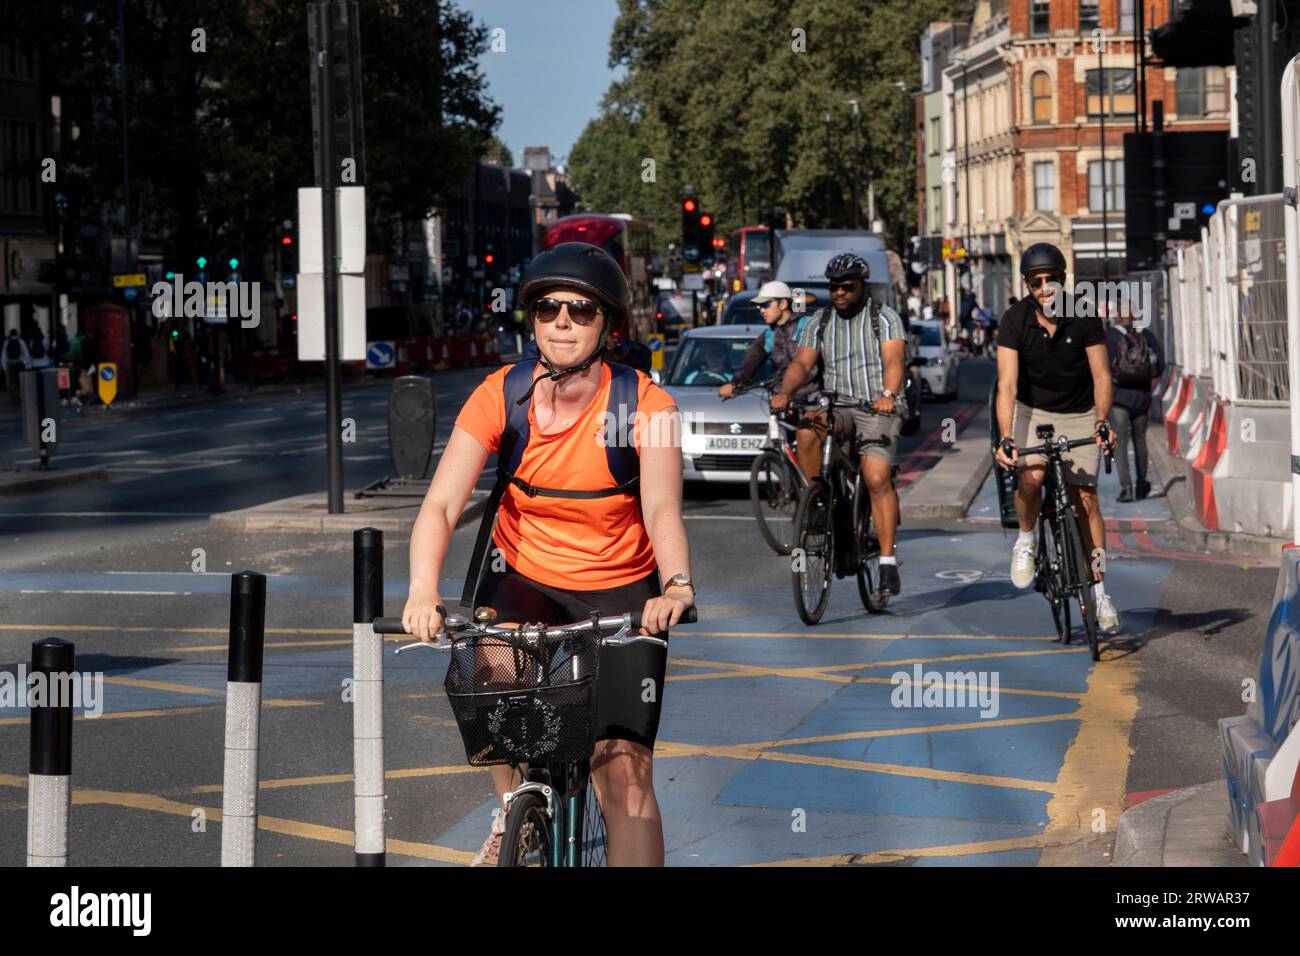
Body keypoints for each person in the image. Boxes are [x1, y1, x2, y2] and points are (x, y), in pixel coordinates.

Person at [401, 241, 692, 867]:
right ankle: (517, 810)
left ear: (607, 325)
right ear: (531, 318)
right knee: (491, 688)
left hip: (620, 589)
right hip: (523, 577)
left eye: (581, 311)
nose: (563, 322)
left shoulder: (649, 406)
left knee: (624, 775)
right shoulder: (499, 395)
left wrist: (676, 586)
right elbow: (442, 506)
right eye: (549, 308)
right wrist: (422, 589)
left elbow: (663, 508)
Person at [994, 243, 1120, 634]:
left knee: (1086, 499)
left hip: (1081, 413)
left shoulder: (1083, 316)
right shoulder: (1013, 320)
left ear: (1063, 282)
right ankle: (1027, 540)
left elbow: (1101, 376)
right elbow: (1008, 384)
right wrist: (1005, 438)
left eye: (1051, 280)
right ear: (1028, 285)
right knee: (1030, 479)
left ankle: (1100, 594)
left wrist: (1101, 421)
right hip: (1032, 412)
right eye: (1036, 282)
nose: (1044, 287)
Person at [772, 253, 908, 596]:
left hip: (877, 407)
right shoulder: (819, 321)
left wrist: (888, 393)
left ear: (862, 286)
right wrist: (785, 392)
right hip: (838, 406)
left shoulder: (884, 318)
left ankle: (888, 562)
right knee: (807, 428)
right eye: (834, 287)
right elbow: (802, 364)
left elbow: (894, 359)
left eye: (847, 287)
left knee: (876, 478)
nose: (840, 293)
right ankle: (818, 499)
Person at [721, 280, 823, 479]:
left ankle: (819, 489)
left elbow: (807, 365)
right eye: (759, 306)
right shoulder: (769, 334)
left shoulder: (806, 326)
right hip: (784, 399)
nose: (761, 310)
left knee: (811, 444)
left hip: (813, 399)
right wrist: (735, 383)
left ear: (783, 305)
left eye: (766, 304)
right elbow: (752, 359)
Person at [1107, 295, 1164, 502]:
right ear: (1134, 315)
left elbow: (1103, 369)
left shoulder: (1110, 337)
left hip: (1119, 397)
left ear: (1116, 315)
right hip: (1141, 397)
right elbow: (1160, 366)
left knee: (1120, 442)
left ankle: (1126, 488)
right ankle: (1142, 485)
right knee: (1140, 440)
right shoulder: (1146, 335)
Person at [4, 329, 31, 404]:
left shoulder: (7, 342)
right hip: (19, 363)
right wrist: (27, 364)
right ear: (17, 334)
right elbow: (25, 352)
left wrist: (4, 366)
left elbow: (4, 354)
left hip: (11, 363)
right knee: (19, 380)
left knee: (12, 381)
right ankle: (20, 396)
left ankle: (13, 398)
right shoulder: (20, 341)